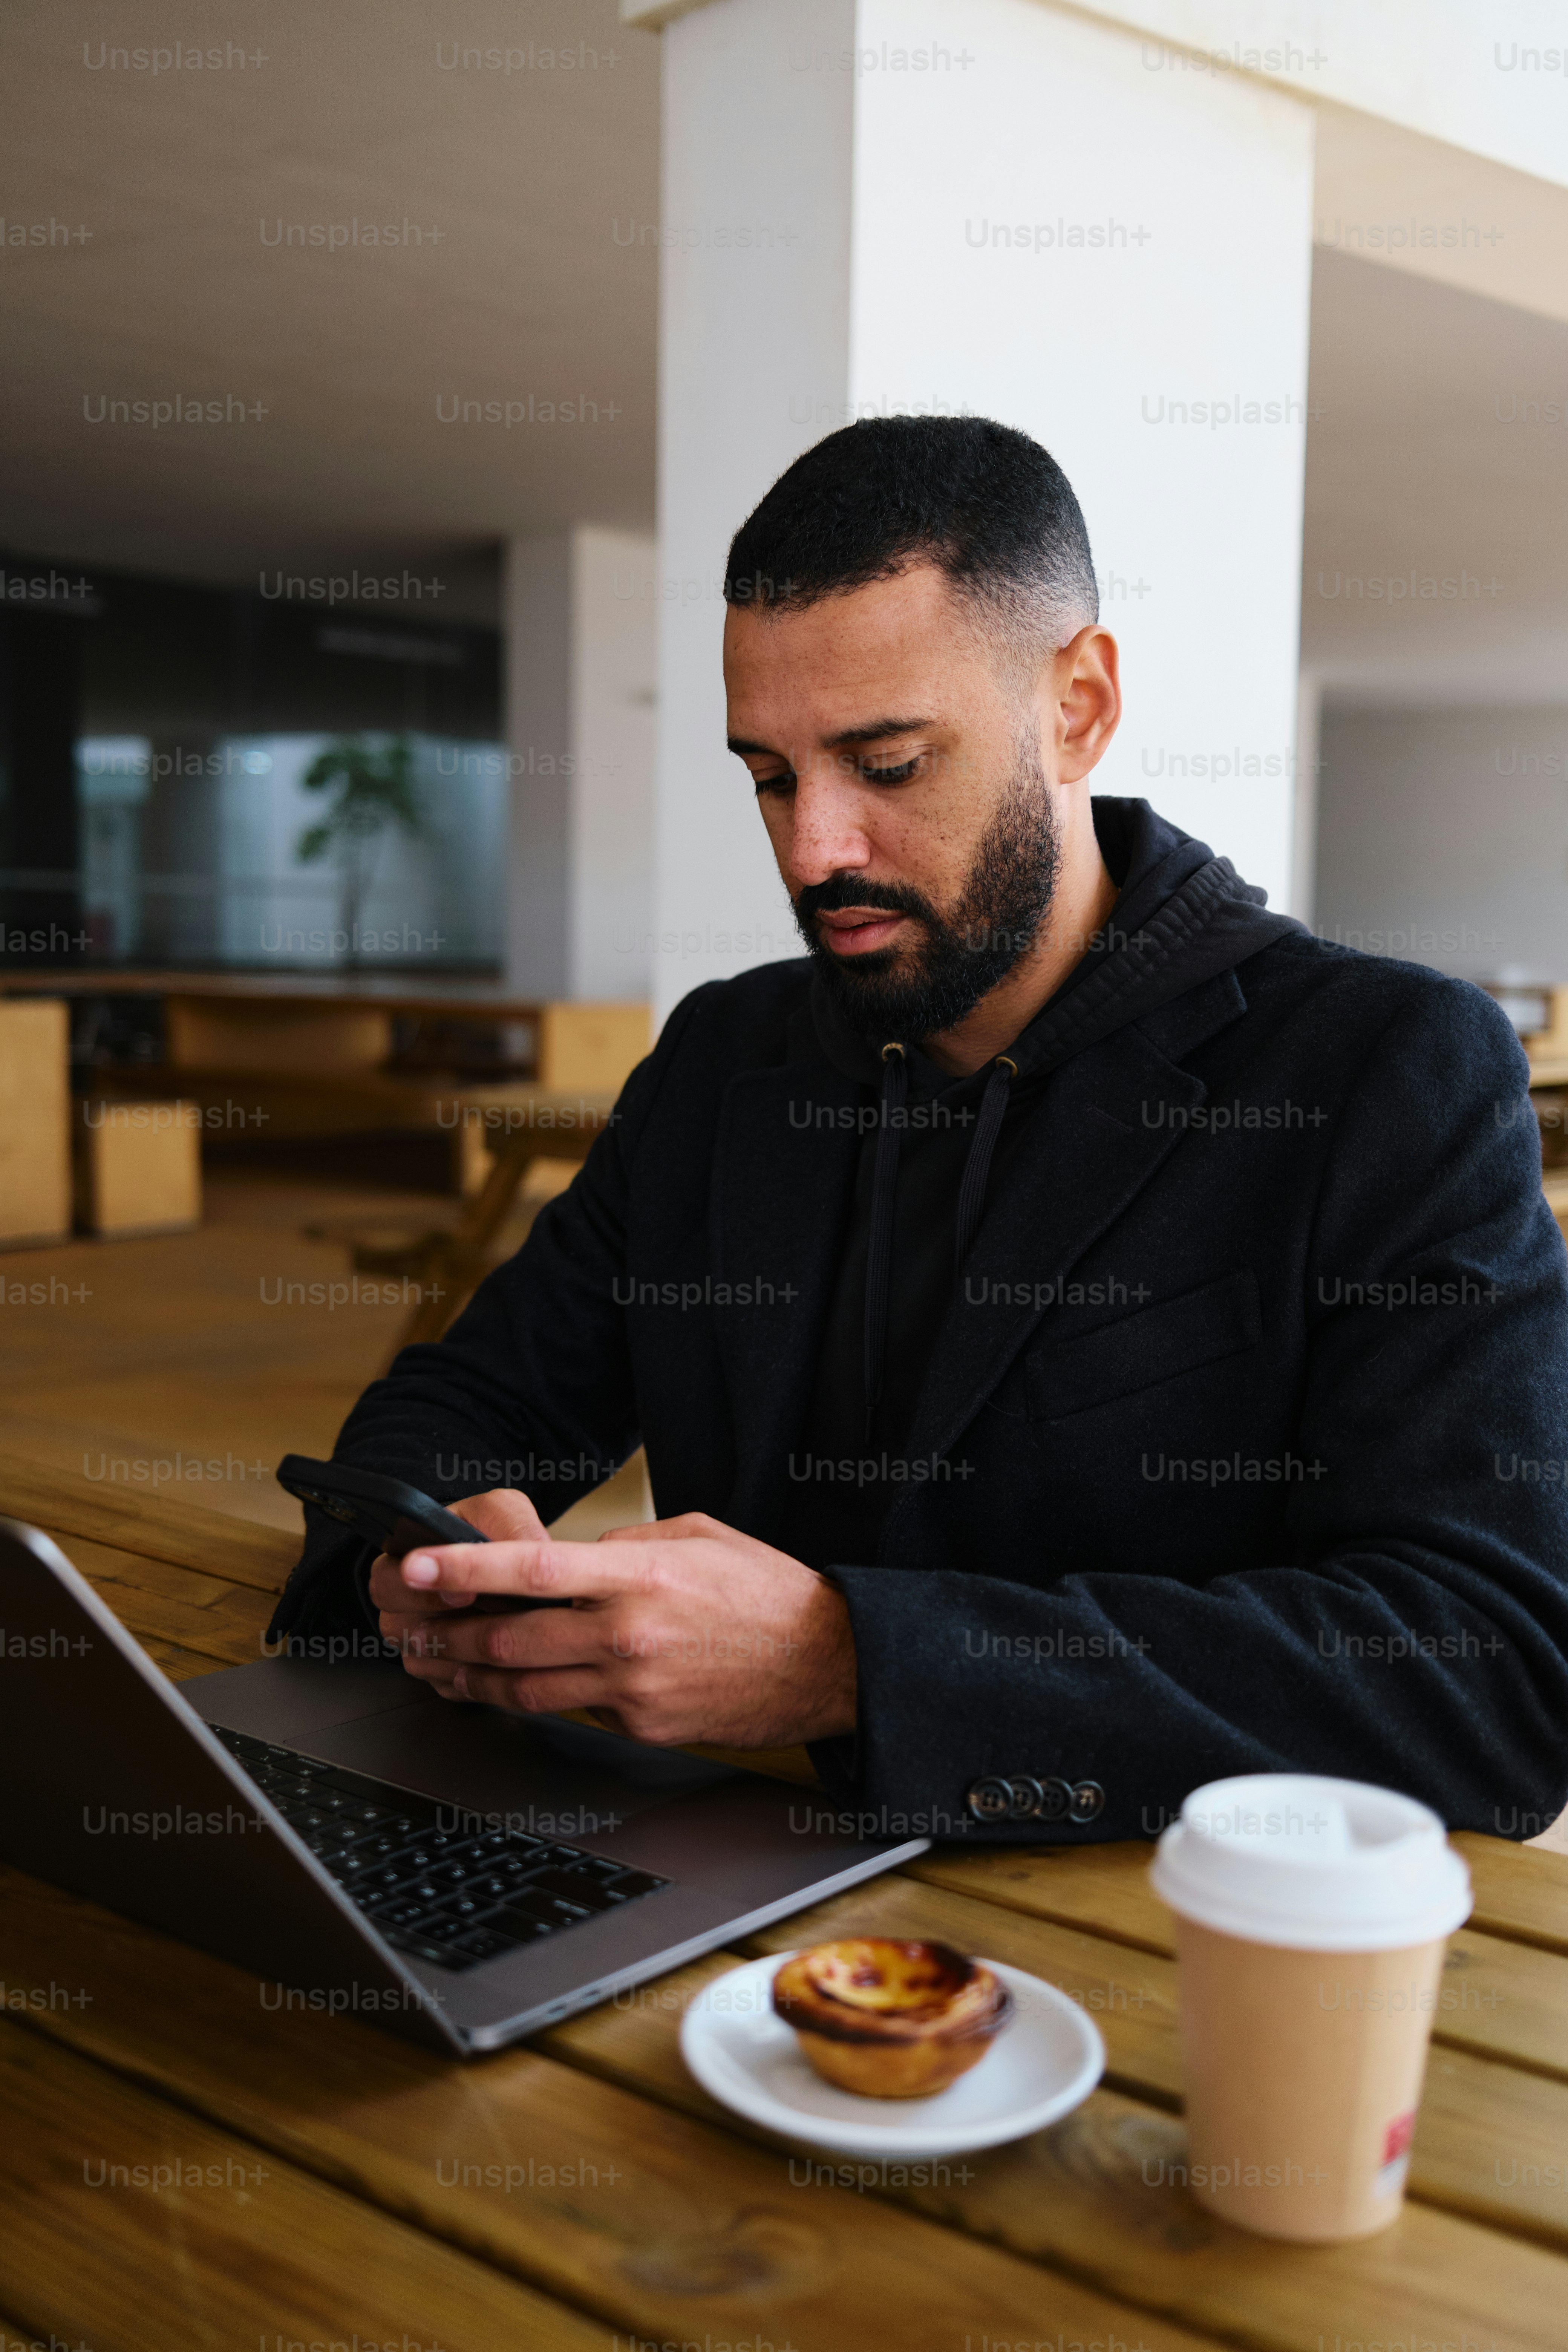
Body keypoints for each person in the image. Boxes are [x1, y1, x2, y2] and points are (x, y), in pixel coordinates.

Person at [268, 416, 1568, 1844]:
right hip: (711, 1894)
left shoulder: (1384, 1066)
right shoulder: (725, 1056)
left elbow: (1488, 1672)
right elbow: (464, 1405)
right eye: (769, 774)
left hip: (1143, 1954)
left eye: (885, 765)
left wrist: (846, 1662)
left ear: (1076, 706)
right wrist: (435, 1548)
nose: (813, 849)